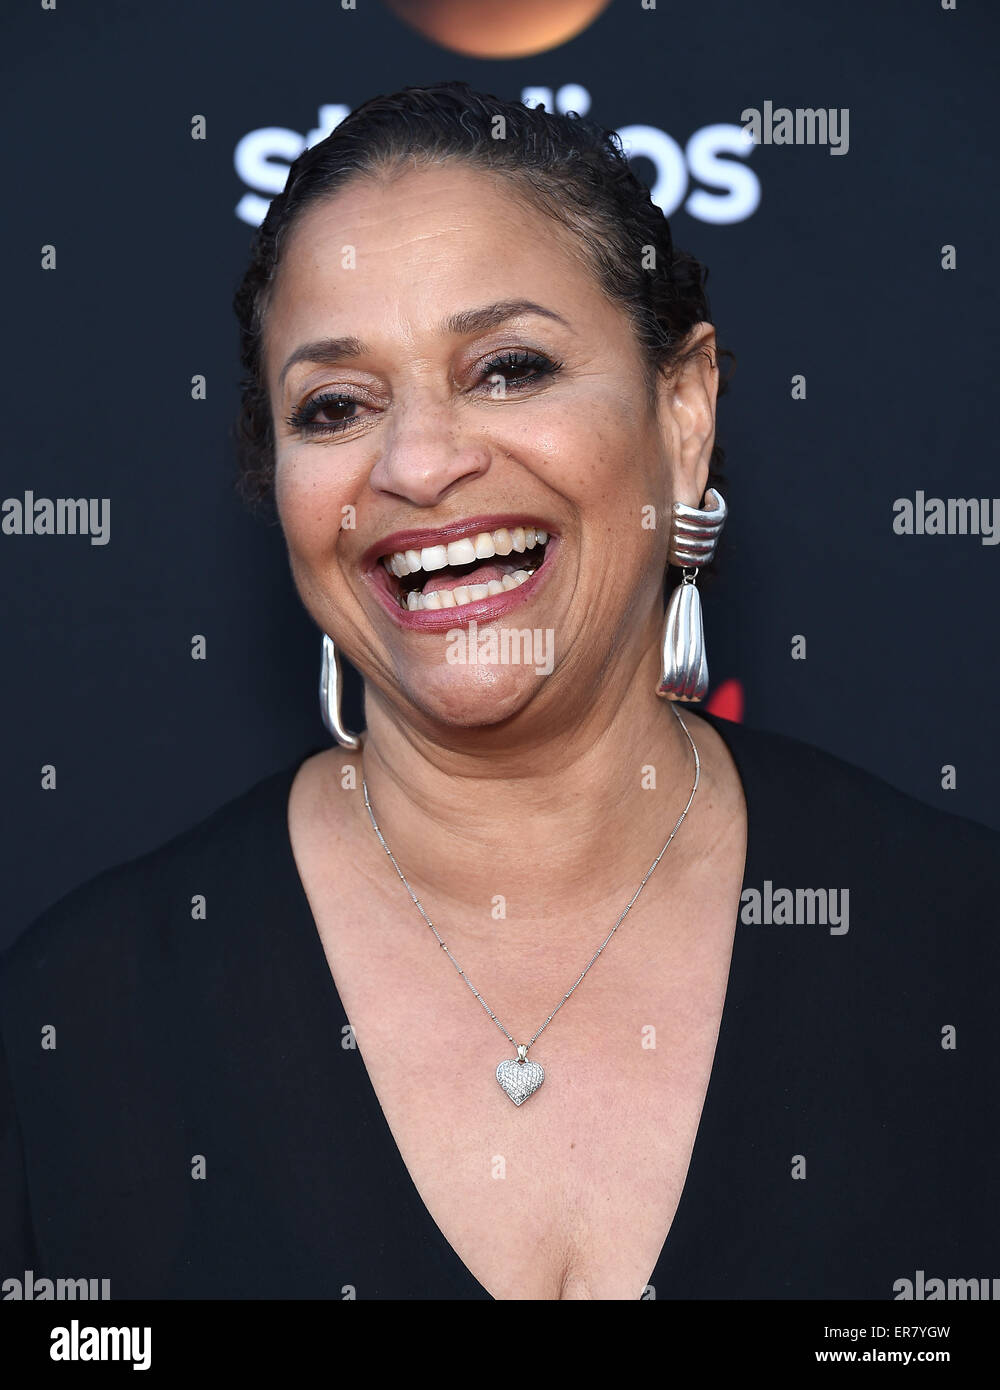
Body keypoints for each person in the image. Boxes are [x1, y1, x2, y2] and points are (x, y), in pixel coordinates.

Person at [2, 82, 997, 1303]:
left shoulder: (958, 948)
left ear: (681, 412)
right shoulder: (76, 1017)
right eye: (334, 406)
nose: (418, 462)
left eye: (509, 368)